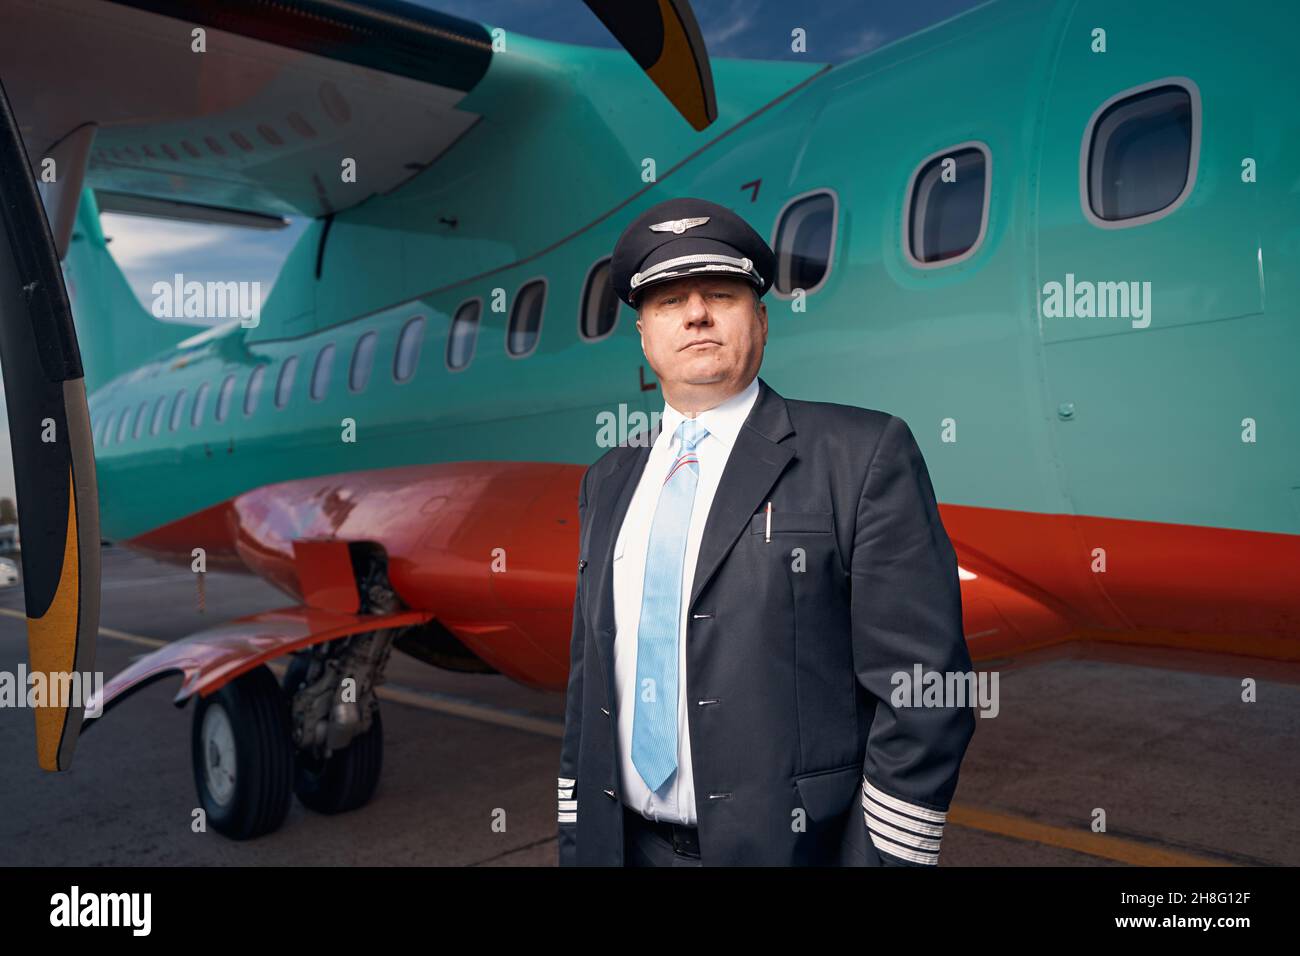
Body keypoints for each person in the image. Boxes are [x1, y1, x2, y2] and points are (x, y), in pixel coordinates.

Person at [557, 196, 976, 866]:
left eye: (720, 294)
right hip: (625, 849)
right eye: (668, 302)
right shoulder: (608, 478)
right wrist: (579, 840)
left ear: (761, 319)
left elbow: (926, 689)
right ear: (644, 337)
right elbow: (590, 682)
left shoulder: (862, 453)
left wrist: (883, 860)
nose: (695, 313)